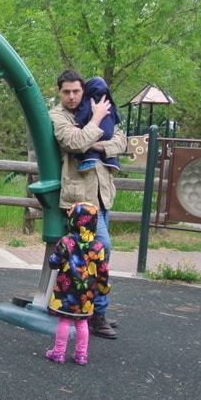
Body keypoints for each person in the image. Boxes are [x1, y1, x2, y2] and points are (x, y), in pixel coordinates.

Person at [49, 69, 127, 339]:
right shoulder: (58, 116)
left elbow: (120, 140)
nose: (72, 96)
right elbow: (73, 141)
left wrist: (98, 146)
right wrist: (95, 120)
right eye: (66, 91)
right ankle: (97, 314)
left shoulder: (96, 106)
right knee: (100, 248)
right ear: (59, 92)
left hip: (102, 194)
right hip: (80, 198)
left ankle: (93, 311)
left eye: (76, 91)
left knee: (95, 255)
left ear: (83, 91)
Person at [45, 202, 110, 365]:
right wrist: (103, 287)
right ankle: (81, 354)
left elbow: (54, 262)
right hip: (87, 291)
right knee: (82, 322)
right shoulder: (97, 246)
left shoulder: (66, 242)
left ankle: (58, 352)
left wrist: (53, 260)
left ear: (72, 220)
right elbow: (102, 270)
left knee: (65, 321)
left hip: (66, 289)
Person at [73, 76, 121, 172]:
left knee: (90, 143)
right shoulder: (109, 104)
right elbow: (117, 118)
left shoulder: (88, 102)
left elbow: (81, 116)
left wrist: (77, 124)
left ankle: (89, 161)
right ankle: (112, 162)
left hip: (95, 133)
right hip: (109, 132)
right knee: (108, 150)